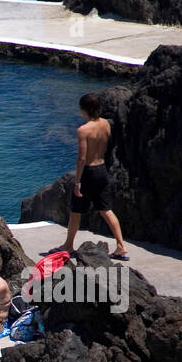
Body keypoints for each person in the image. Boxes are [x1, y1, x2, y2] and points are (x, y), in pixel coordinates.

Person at [54, 93, 129, 261]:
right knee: (106, 209)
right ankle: (121, 246)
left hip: (89, 172)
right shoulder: (105, 124)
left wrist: (78, 182)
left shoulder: (83, 130)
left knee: (76, 210)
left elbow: (82, 158)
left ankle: (68, 245)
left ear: (83, 109)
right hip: (102, 169)